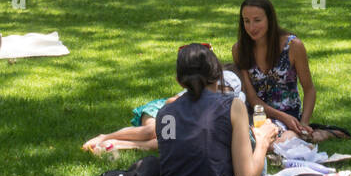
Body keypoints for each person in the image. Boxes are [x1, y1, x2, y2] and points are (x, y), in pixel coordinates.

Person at [155, 44, 332, 176]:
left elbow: (174, 164)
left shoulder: (165, 113)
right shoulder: (231, 106)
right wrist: (263, 140)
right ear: (218, 75)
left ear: (179, 80)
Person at [232, 0, 346, 142]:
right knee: (239, 137)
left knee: (271, 140)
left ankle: (310, 133)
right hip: (257, 113)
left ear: (270, 19)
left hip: (288, 112)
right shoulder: (239, 49)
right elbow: (253, 99)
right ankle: (307, 135)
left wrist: (303, 123)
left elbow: (309, 89)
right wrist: (282, 118)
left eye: (257, 20)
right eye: (246, 21)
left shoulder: (293, 46)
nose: (251, 27)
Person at [82, 64, 247, 155]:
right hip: (162, 110)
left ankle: (119, 144)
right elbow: (171, 103)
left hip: (180, 120)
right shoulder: (201, 88)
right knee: (152, 131)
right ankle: (105, 136)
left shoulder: (233, 101)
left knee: (164, 142)